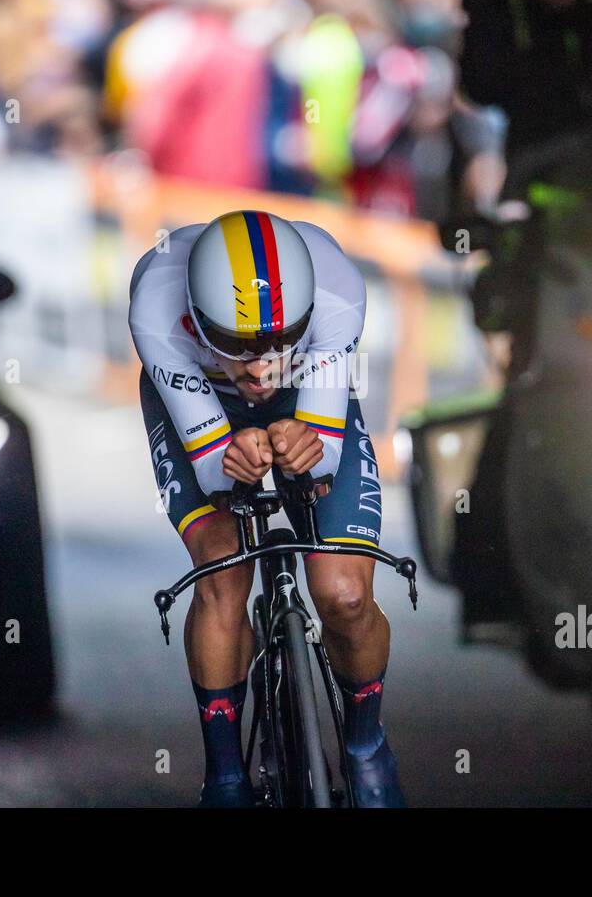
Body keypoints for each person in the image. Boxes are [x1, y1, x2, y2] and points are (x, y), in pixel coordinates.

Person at [128, 210, 404, 808]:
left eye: (281, 340)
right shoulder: (155, 303)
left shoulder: (335, 288)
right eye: (235, 344)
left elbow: (322, 461)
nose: (260, 368)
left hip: (306, 394)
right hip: (201, 401)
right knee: (222, 570)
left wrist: (301, 445)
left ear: (306, 316)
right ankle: (226, 776)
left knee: (345, 594)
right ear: (195, 321)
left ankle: (365, 747)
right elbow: (211, 470)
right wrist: (229, 456)